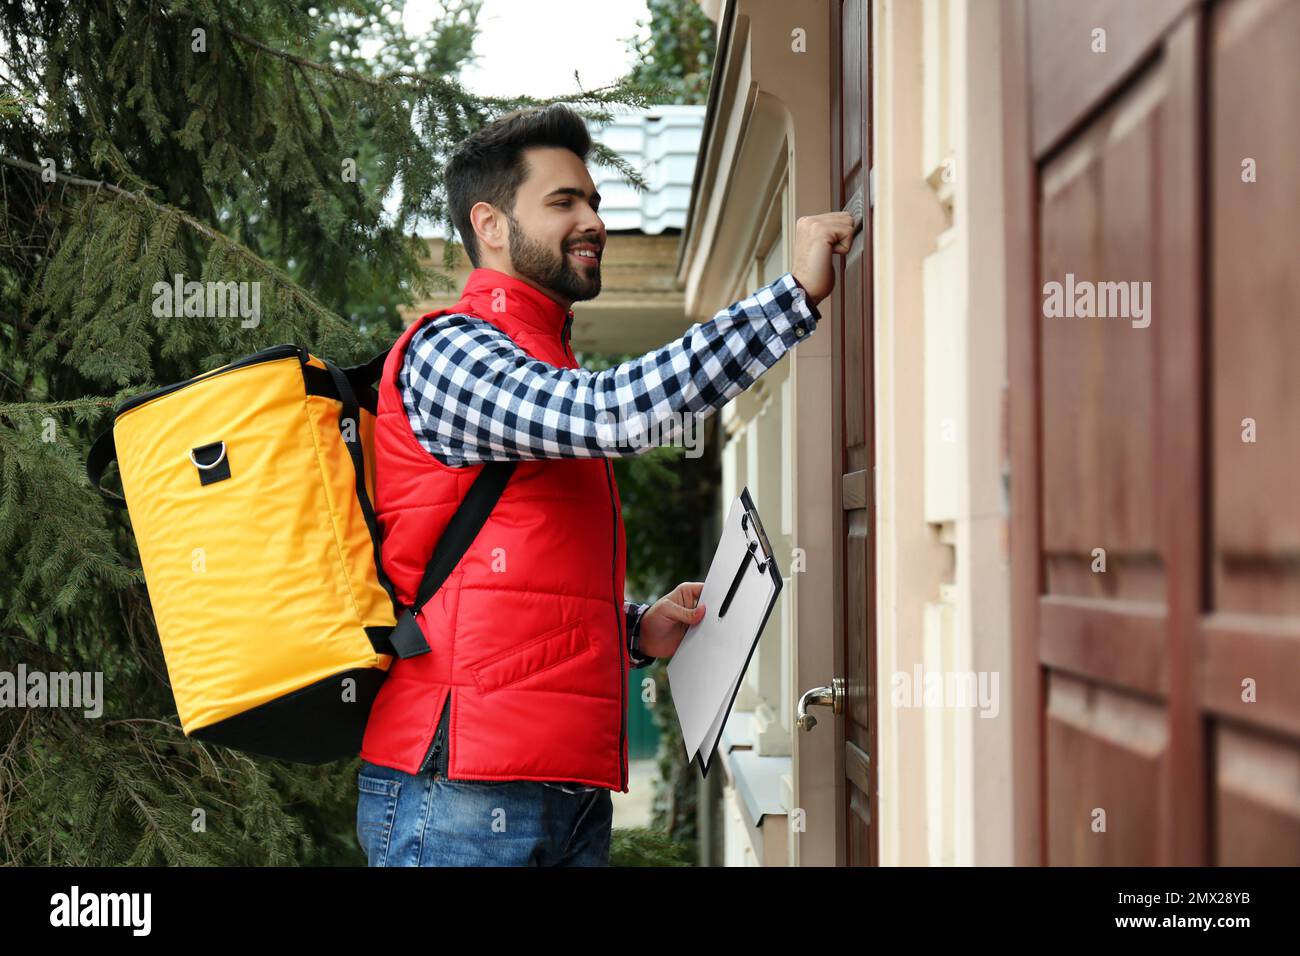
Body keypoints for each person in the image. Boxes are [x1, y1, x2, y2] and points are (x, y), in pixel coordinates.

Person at [356, 104, 854, 866]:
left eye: (594, 201)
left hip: (558, 786)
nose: (592, 220)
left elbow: (511, 578)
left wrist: (630, 629)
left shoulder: (545, 365)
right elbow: (616, 414)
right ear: (489, 224)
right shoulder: (450, 350)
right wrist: (788, 300)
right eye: (563, 202)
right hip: (461, 789)